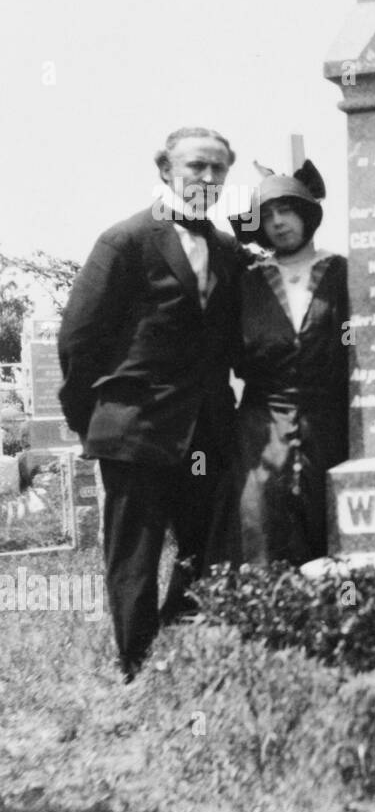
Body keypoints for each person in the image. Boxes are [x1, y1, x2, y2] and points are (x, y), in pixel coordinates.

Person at [58, 127, 244, 682]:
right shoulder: (126, 240)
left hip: (206, 429)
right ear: (165, 170)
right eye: (195, 166)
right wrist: (92, 418)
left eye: (218, 169)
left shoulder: (227, 248)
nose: (207, 177)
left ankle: (182, 640)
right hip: (136, 426)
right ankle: (135, 665)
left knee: (205, 545)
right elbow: (79, 338)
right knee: (134, 552)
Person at [231, 161, 349, 567]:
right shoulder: (247, 282)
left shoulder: (341, 273)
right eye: (267, 216)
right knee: (263, 526)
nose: (278, 223)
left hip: (328, 424)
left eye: (286, 211)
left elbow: (355, 345)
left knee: (329, 528)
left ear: (306, 214)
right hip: (262, 429)